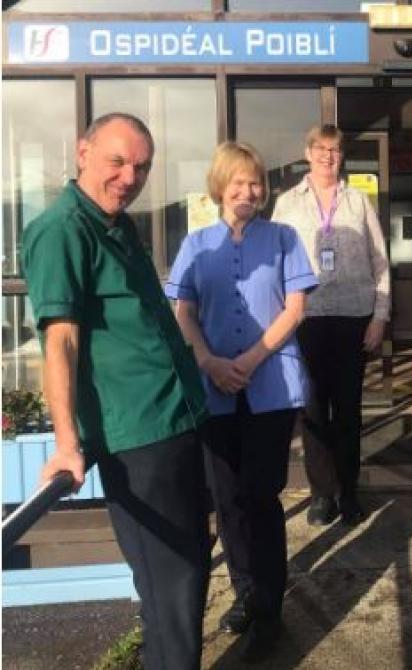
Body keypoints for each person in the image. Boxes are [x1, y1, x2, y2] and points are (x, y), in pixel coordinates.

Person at [22, 113, 210, 670]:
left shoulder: (118, 224)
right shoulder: (61, 231)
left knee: (190, 570)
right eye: (117, 161)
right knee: (169, 584)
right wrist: (65, 440)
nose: (130, 177)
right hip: (137, 437)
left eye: (142, 166)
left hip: (176, 420)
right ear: (82, 152)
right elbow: (60, 342)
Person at [166, 142, 318, 661]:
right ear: (219, 186)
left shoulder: (283, 238)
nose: (248, 191)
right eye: (237, 182)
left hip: (271, 386)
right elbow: (182, 310)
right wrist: (208, 362)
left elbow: (295, 307)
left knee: (261, 495)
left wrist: (250, 360)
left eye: (255, 182)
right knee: (227, 501)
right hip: (213, 389)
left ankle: (270, 604)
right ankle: (245, 594)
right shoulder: (195, 243)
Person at [272, 124, 390, 526]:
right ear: (308, 153)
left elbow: (381, 263)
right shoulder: (287, 204)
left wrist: (379, 317)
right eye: (320, 149)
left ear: (342, 156)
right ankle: (322, 494)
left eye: (335, 150)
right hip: (305, 319)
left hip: (353, 319)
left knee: (349, 413)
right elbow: (274, 264)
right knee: (312, 413)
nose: (327, 156)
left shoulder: (358, 202)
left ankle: (349, 492)